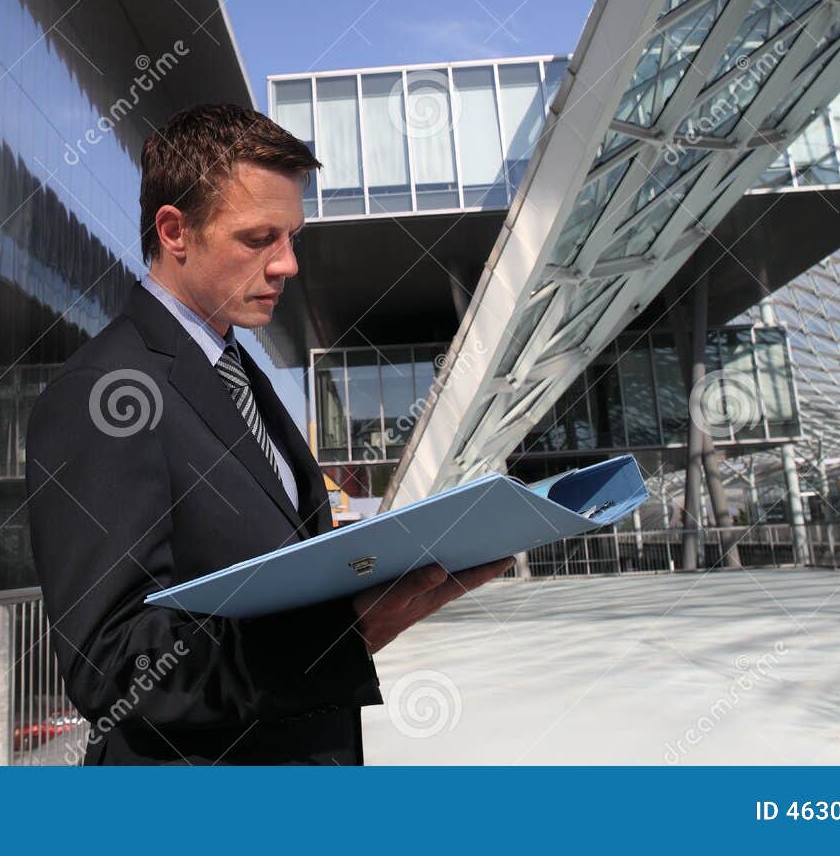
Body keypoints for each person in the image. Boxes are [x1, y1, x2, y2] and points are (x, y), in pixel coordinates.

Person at [26, 102, 509, 765]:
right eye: (259, 238)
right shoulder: (102, 392)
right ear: (175, 231)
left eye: (292, 237)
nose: (288, 265)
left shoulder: (238, 373)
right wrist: (341, 637)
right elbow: (111, 662)